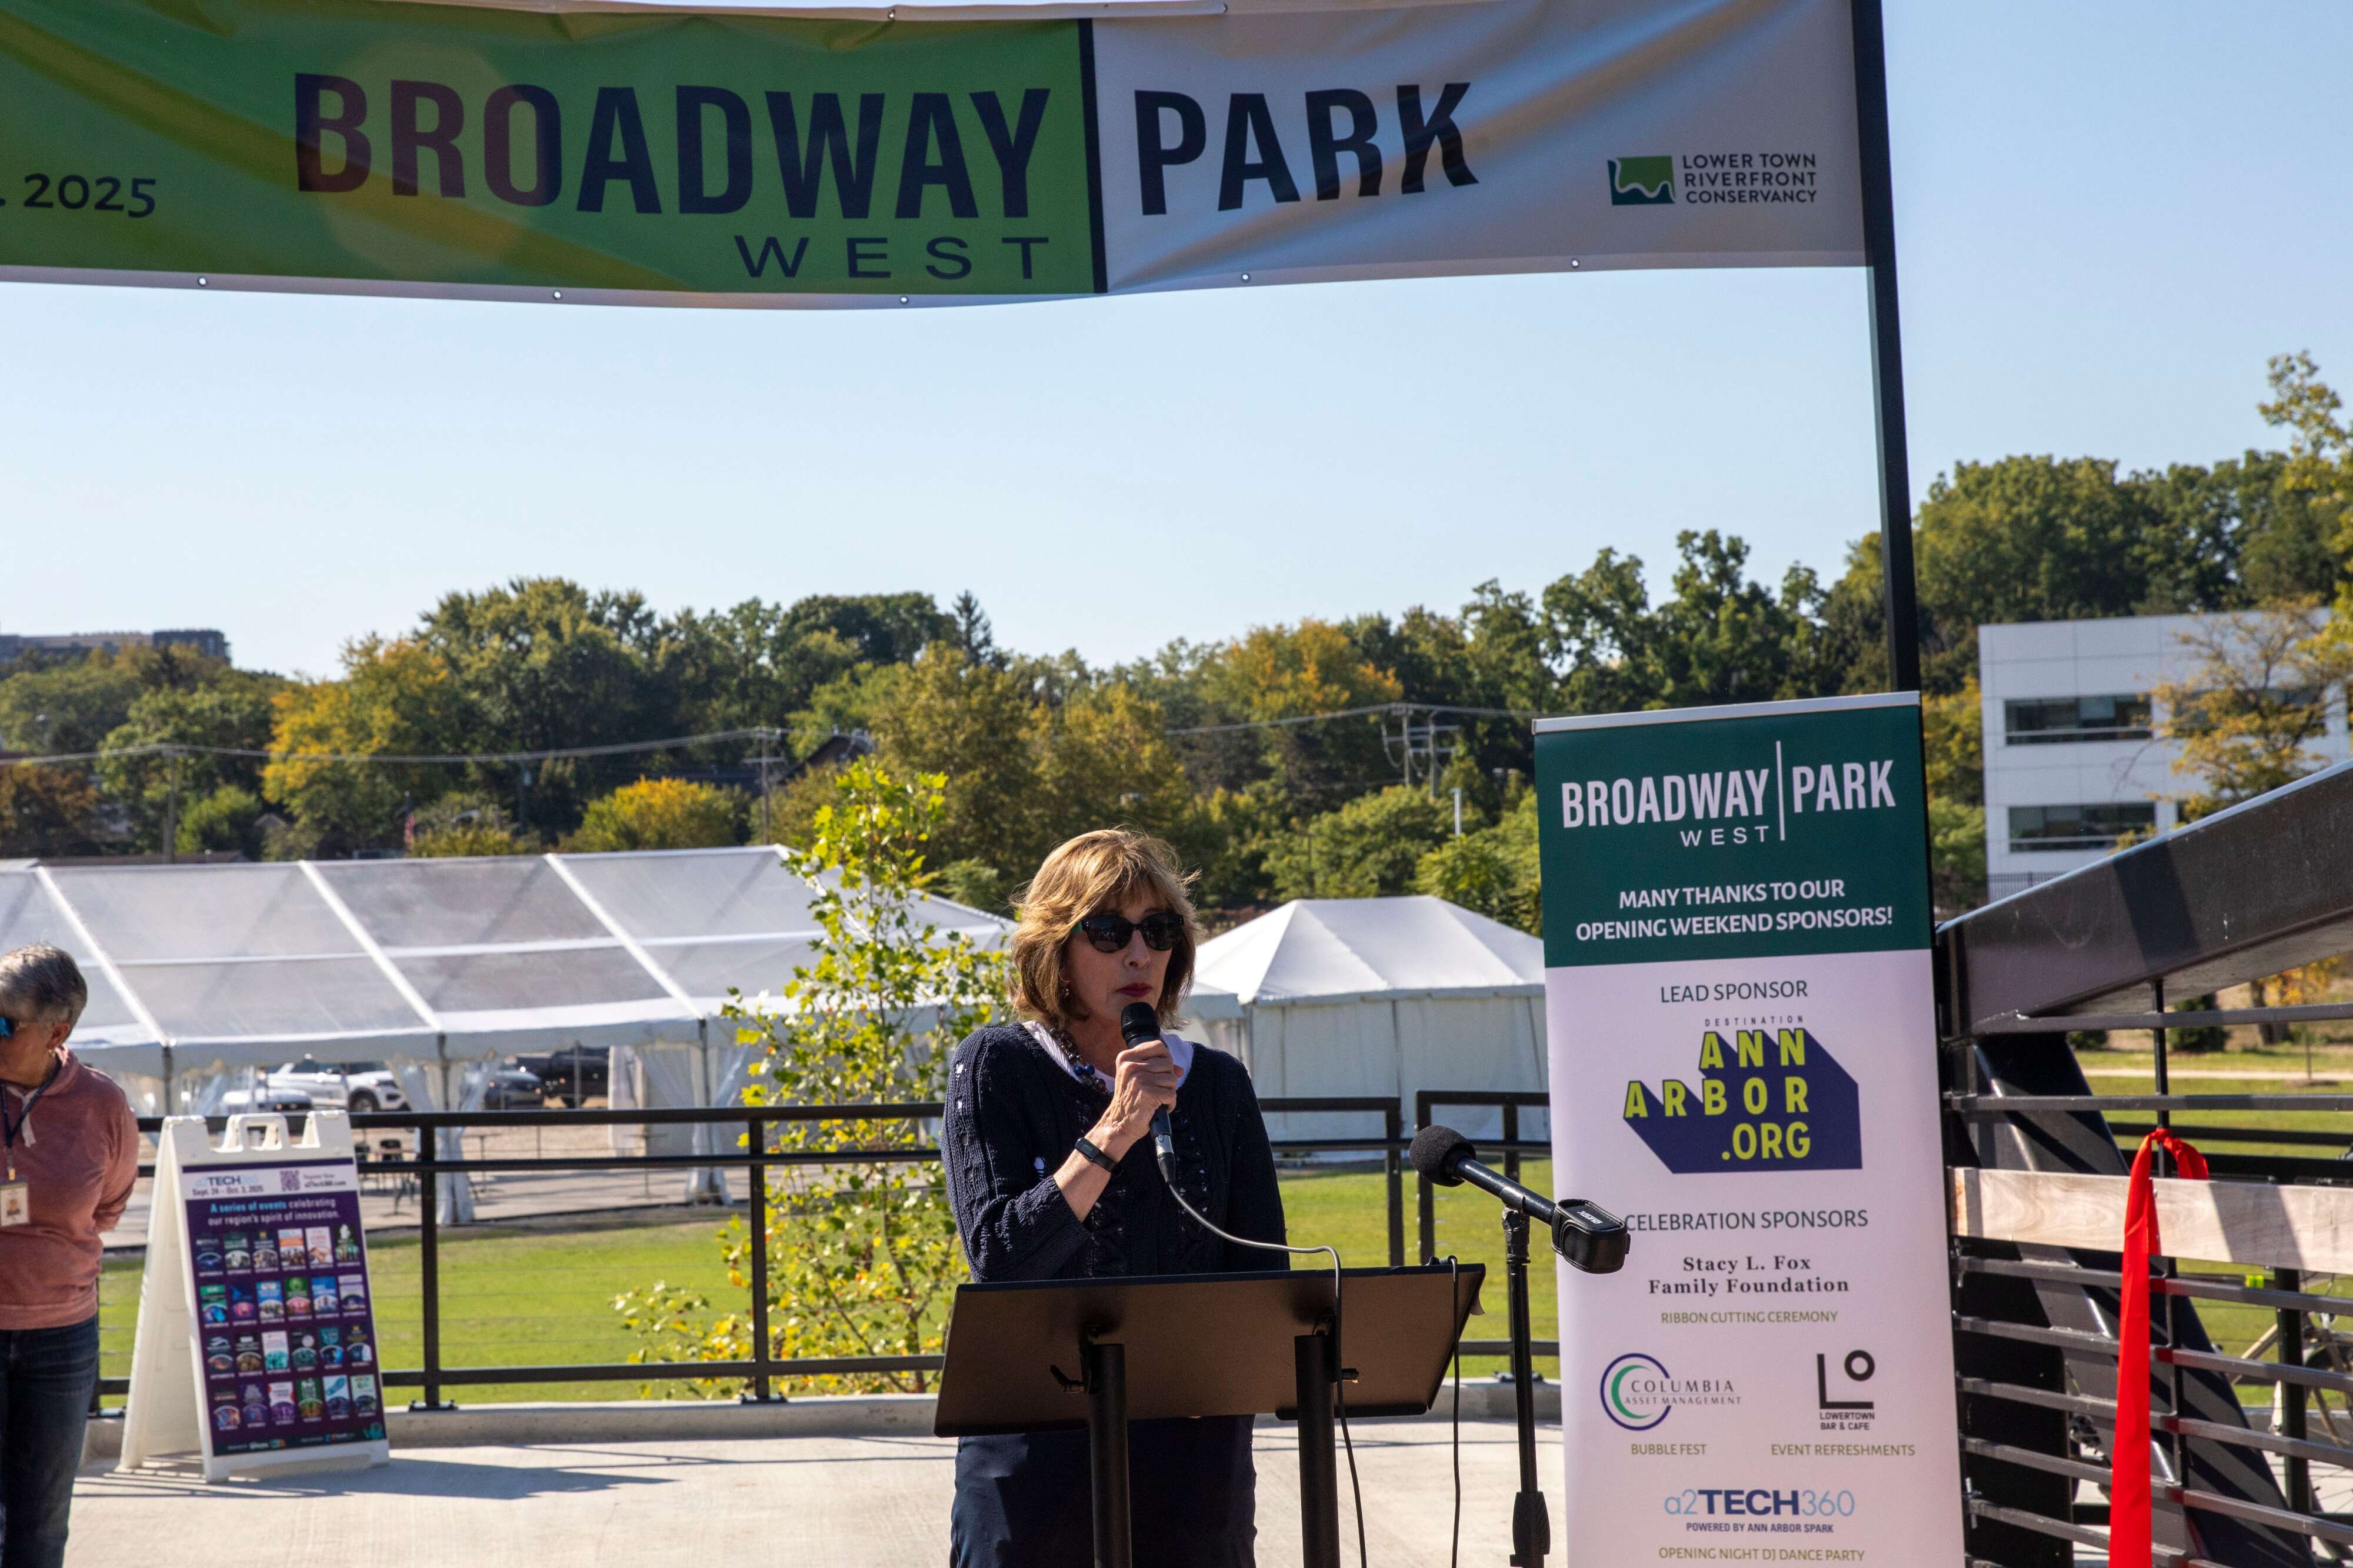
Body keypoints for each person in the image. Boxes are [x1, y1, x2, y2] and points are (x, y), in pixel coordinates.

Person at [943, 829, 1287, 1568]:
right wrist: (1114, 1130)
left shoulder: (1219, 1084)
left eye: (1159, 930)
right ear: (1056, 950)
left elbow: (1262, 1275)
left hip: (1192, 1456)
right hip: (1037, 1457)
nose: (1139, 953)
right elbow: (999, 1256)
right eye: (1108, 930)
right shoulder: (995, 1064)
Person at [0, 945, 138, 1568]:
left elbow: (108, 1206)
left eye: (5, 1022)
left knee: (41, 1522)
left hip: (61, 1338)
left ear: (57, 1031)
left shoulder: (101, 1104)